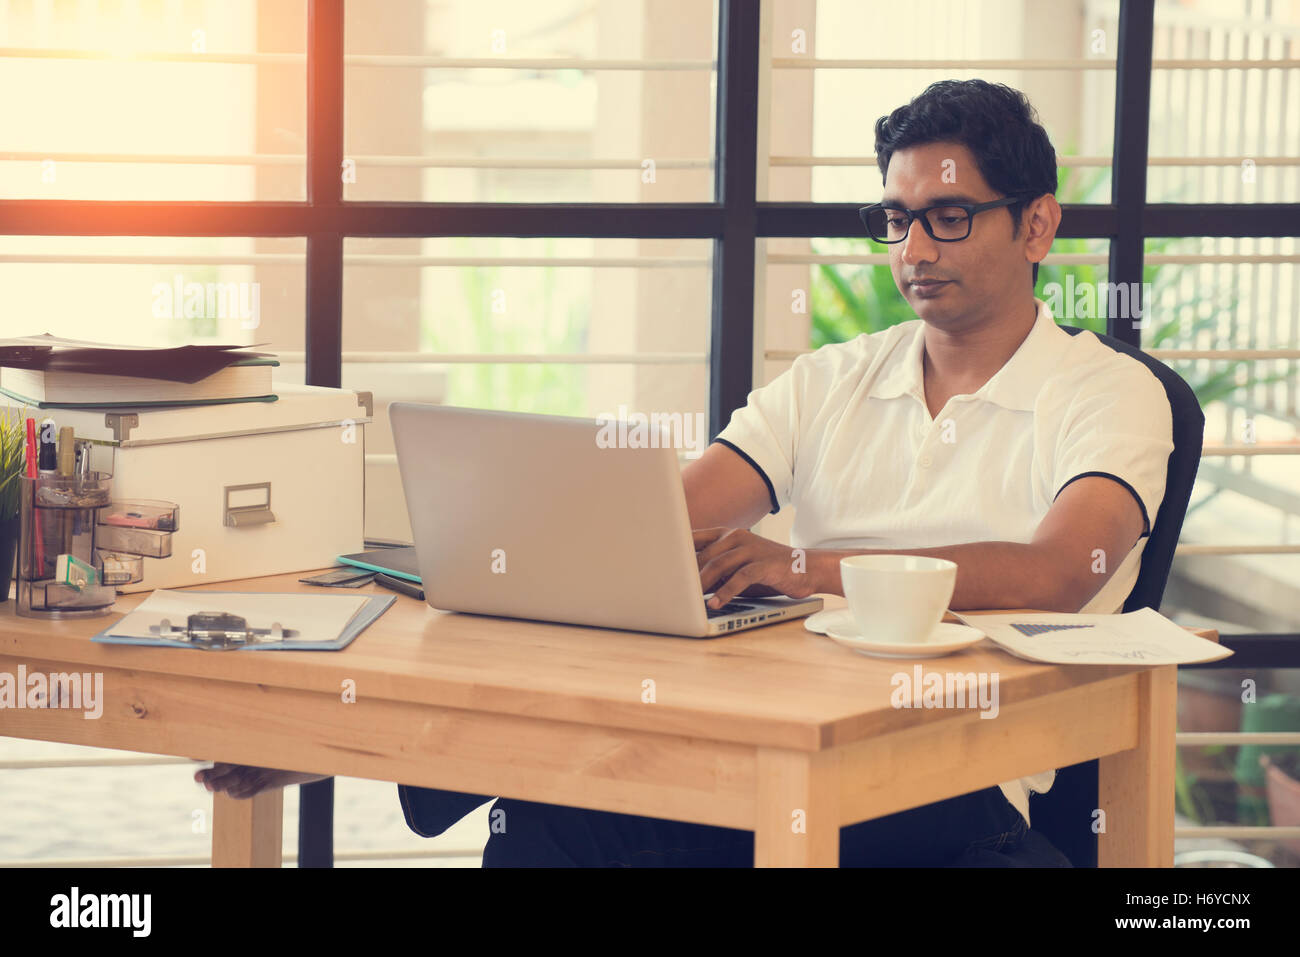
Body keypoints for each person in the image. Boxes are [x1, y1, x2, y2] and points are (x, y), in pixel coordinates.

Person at [198, 78, 1174, 867]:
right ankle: (347, 744)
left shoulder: (1107, 392)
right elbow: (660, 520)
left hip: (948, 765)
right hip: (784, 727)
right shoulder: (835, 379)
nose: (911, 249)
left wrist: (801, 568)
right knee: (551, 819)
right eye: (895, 218)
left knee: (596, 813)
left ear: (1037, 226)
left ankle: (363, 756)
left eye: (949, 218)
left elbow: (1062, 570)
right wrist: (500, 538)